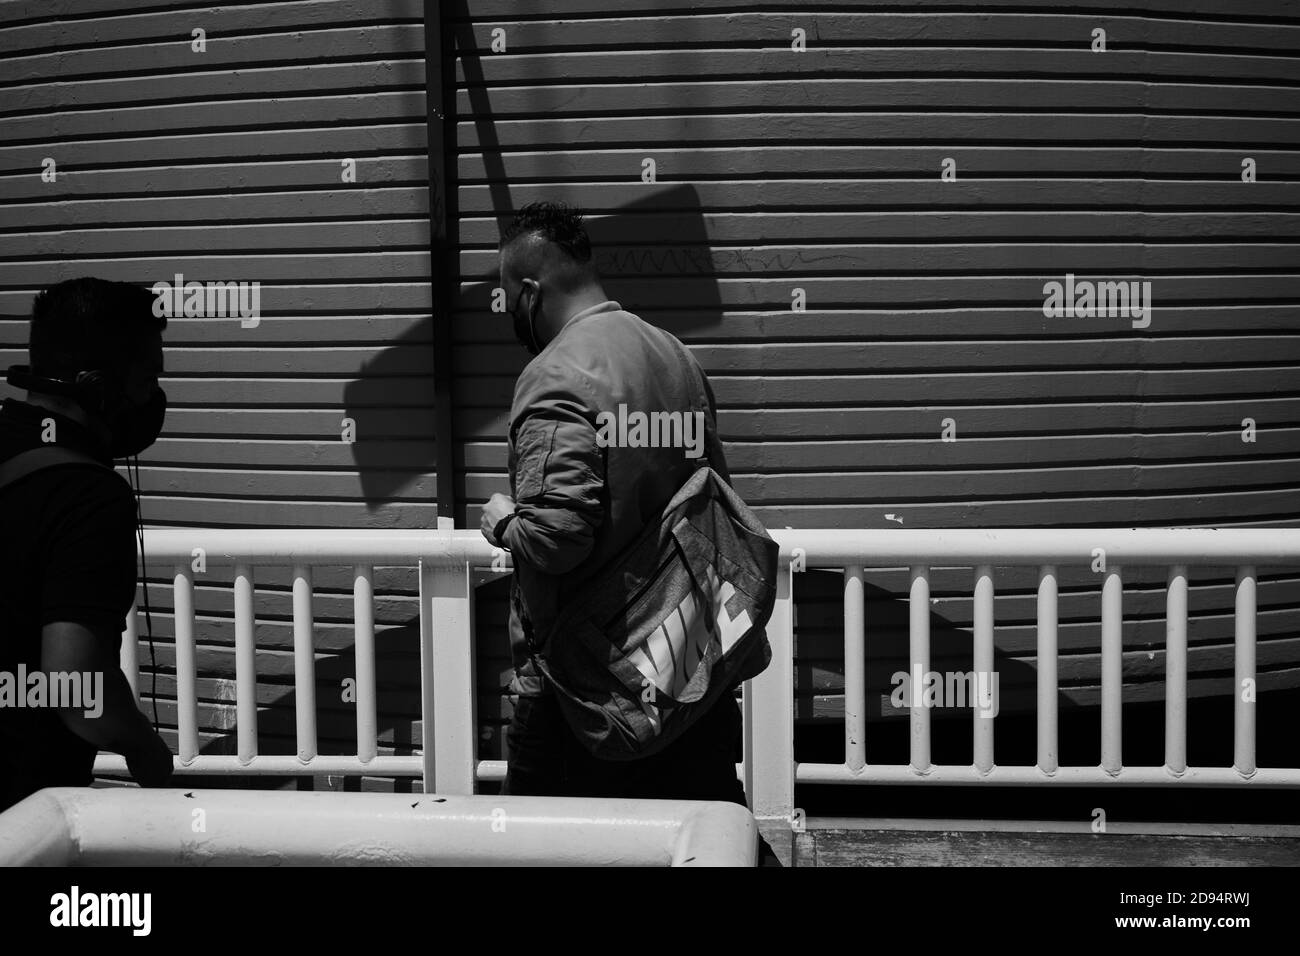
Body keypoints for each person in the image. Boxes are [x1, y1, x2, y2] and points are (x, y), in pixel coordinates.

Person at [481, 201, 753, 808]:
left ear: (530, 291)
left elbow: (557, 538)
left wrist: (502, 522)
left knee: (532, 846)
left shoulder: (554, 377)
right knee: (705, 832)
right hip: (682, 662)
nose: (508, 313)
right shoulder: (676, 357)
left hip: (583, 687)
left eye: (505, 297)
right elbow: (713, 498)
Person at [0, 277, 173, 813]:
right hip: (20, 813)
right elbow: (74, 682)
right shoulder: (90, 496)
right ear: (98, 386)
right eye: (146, 381)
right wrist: (143, 746)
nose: (153, 400)